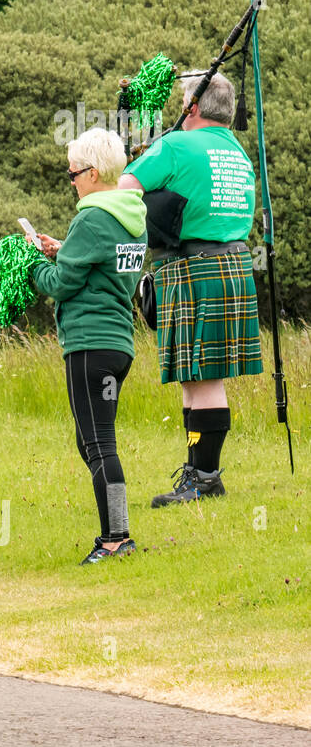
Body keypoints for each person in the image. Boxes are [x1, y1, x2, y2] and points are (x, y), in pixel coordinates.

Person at [118, 71, 260, 507]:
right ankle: (199, 473)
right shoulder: (239, 154)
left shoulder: (176, 145)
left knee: (203, 378)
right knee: (195, 376)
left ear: (192, 107)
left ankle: (204, 479)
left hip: (192, 266)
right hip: (232, 262)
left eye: (183, 100)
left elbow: (124, 190)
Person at [32, 129, 148, 564]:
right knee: (93, 442)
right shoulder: (131, 216)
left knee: (99, 444)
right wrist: (63, 249)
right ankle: (116, 531)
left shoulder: (91, 218)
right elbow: (105, 267)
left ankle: (115, 538)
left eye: (74, 174)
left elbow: (63, 284)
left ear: (94, 174)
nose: (72, 181)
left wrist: (30, 268)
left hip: (89, 343)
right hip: (118, 345)